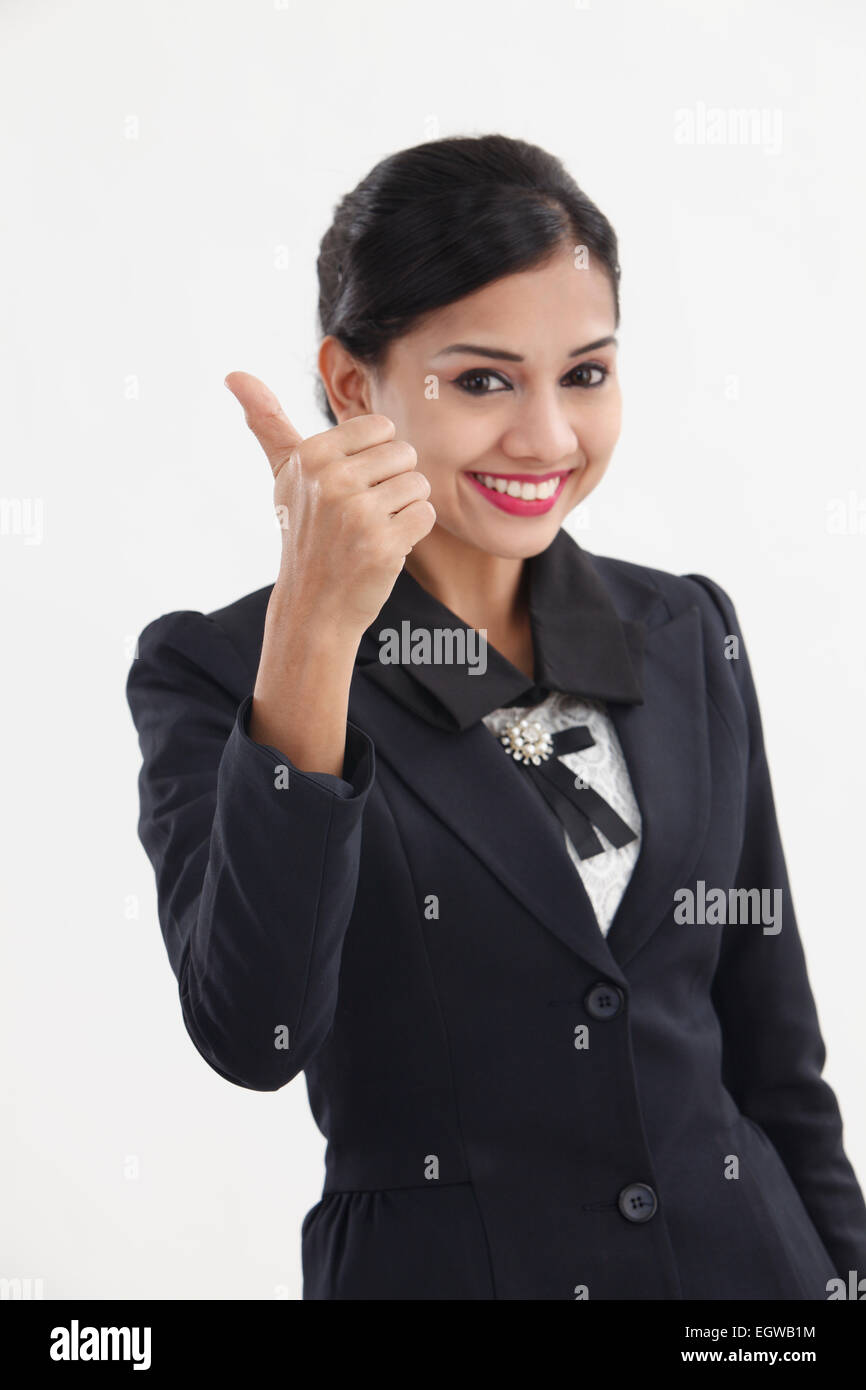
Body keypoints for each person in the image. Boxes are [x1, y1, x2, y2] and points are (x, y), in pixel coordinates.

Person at [126, 133, 866, 1300]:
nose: (547, 438)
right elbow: (254, 1033)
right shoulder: (219, 667)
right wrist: (317, 634)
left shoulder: (681, 629)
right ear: (355, 384)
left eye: (583, 373)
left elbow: (774, 1052)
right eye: (480, 380)